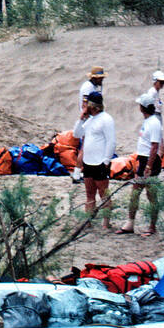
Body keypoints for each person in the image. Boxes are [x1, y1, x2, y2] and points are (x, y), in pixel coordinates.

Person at [119, 95, 162, 235]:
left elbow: (154, 146)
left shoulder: (154, 123)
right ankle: (130, 223)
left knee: (151, 195)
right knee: (135, 193)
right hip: (143, 159)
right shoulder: (147, 121)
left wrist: (148, 167)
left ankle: (152, 227)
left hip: (150, 161)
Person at [73, 90, 116, 227]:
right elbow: (77, 133)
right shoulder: (89, 120)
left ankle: (106, 222)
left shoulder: (106, 119)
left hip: (100, 162)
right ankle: (88, 220)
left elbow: (111, 141)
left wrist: (106, 160)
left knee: (104, 193)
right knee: (89, 193)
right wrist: (81, 118)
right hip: (88, 161)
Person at [72, 66, 106, 182]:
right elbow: (85, 105)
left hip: (89, 118)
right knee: (85, 147)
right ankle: (77, 174)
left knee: (86, 146)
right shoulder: (88, 88)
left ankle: (81, 172)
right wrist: (88, 117)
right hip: (88, 119)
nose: (101, 80)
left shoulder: (90, 86)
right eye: (100, 78)